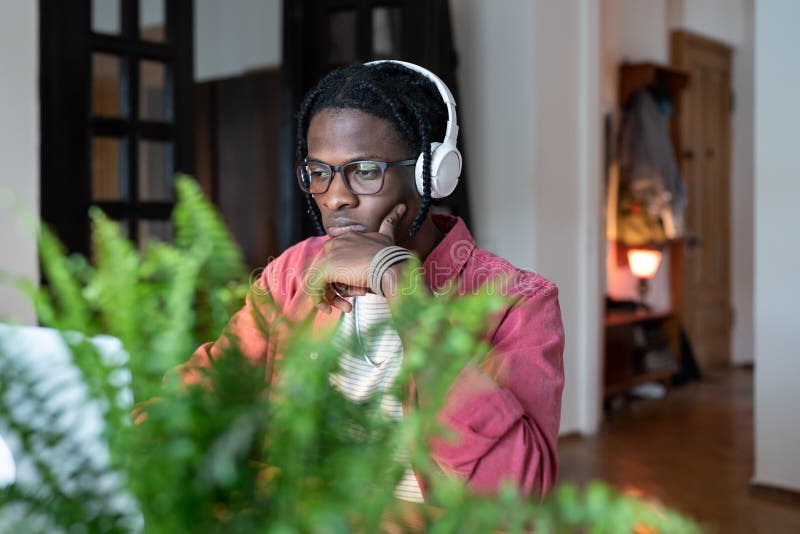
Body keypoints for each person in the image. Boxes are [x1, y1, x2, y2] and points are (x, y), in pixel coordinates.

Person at [187, 60, 564, 502]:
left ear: (431, 176)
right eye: (319, 172)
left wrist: (402, 290)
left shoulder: (516, 303)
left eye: (364, 170)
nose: (336, 197)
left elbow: (518, 493)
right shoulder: (292, 274)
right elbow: (201, 394)